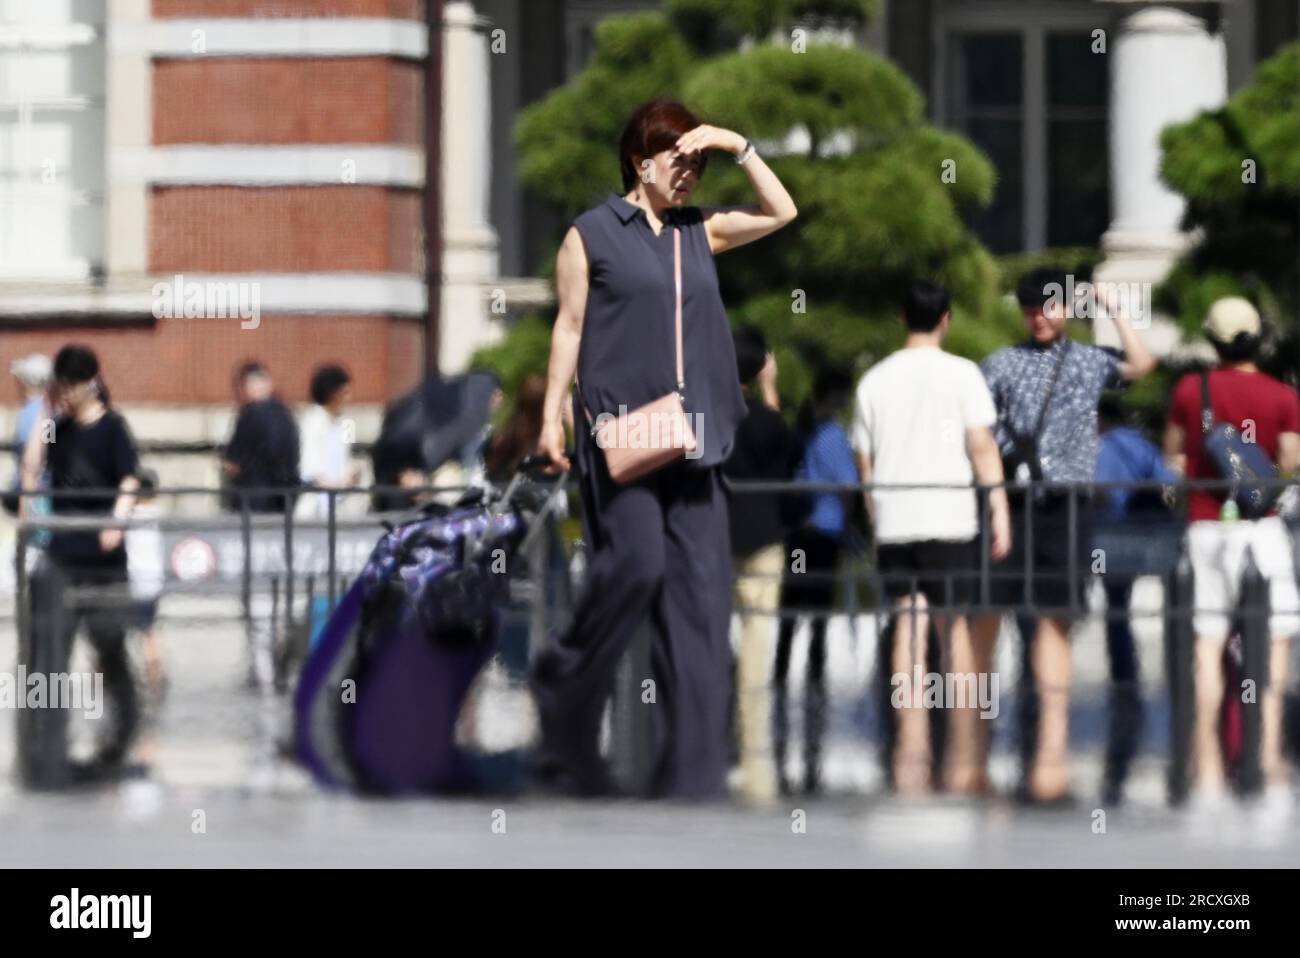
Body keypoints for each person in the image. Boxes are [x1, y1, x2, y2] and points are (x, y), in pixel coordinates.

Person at [532, 97, 797, 799]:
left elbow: (781, 212)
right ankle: (563, 684)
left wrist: (736, 144)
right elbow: (568, 327)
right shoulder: (589, 236)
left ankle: (692, 777)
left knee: (701, 608)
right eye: (677, 160)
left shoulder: (698, 231)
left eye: (696, 163)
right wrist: (551, 415)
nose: (688, 174)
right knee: (637, 565)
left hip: (698, 440)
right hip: (622, 436)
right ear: (638, 160)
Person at [976, 268, 1155, 803]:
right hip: (1012, 500)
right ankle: (980, 748)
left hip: (1067, 501)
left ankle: (1051, 751)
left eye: (1048, 306)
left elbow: (1142, 364)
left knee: (1056, 619)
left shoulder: (1086, 361)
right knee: (993, 616)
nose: (1039, 316)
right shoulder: (1000, 363)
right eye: (1031, 307)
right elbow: (979, 430)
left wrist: (1113, 308)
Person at [852, 280, 1010, 796]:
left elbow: (865, 463)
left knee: (908, 626)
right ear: (946, 319)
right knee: (953, 629)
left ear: (904, 316)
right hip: (949, 518)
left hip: (898, 519)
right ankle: (963, 747)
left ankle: (911, 739)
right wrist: (999, 507)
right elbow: (982, 447)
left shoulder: (873, 380)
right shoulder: (963, 374)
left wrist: (878, 514)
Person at [1163, 296, 1300, 815]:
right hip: (1260, 530)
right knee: (1273, 641)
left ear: (1212, 339)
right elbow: (1287, 464)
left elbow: (1174, 457)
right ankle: (1266, 761)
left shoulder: (1189, 390)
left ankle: (1208, 769)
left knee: (1206, 646)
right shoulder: (1283, 396)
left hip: (1204, 527)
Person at [18, 345, 142, 788]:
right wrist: (45, 410)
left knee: (110, 649)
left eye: (69, 386)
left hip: (104, 562)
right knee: (50, 657)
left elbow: (130, 476)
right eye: (60, 386)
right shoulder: (60, 428)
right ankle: (46, 752)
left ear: (89, 382)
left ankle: (119, 742)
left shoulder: (112, 428)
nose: (65, 394)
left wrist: (117, 520)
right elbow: (32, 468)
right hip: (63, 558)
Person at [721, 325, 799, 803]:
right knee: (757, 640)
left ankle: (715, 729)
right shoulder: (770, 421)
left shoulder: (711, 412)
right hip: (765, 539)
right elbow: (786, 458)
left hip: (718, 536)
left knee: (712, 632)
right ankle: (754, 742)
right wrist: (772, 390)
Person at [773, 365, 859, 796]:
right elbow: (849, 485)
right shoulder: (833, 436)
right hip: (825, 533)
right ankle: (814, 684)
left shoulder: (802, 429)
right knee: (819, 619)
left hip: (797, 534)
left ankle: (779, 677)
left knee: (791, 613)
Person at [1093, 393, 1178, 804]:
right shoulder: (1136, 442)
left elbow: (1101, 493)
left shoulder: (1103, 444)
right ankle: (1137, 677)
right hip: (1145, 537)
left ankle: (1124, 676)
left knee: (1116, 613)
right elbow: (1169, 480)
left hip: (1108, 538)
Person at [222, 361, 300, 514]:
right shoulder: (286, 414)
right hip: (283, 500)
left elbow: (234, 463)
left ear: (246, 386)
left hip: (251, 501)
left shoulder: (249, 414)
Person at [297, 364, 359, 521]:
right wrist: (331, 484)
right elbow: (309, 466)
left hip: (341, 503)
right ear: (332, 394)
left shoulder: (348, 422)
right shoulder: (312, 421)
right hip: (315, 504)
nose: (348, 398)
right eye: (344, 393)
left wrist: (350, 475)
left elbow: (348, 455)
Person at [5, 353, 51, 517]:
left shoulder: (40, 412)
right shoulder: (49, 410)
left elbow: (43, 453)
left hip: (36, 493)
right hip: (40, 490)